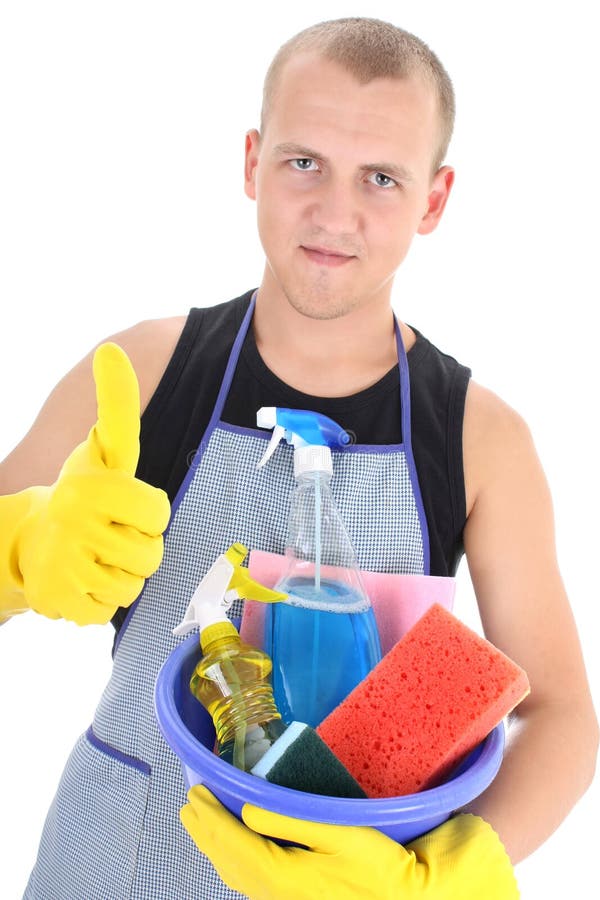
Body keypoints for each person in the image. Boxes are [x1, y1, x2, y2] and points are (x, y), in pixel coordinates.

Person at [0, 16, 597, 899]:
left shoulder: (481, 439)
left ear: (433, 200)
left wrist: (435, 877)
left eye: (382, 178)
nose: (334, 213)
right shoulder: (141, 373)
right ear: (252, 163)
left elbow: (561, 715)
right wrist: (18, 554)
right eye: (303, 161)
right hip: (105, 865)